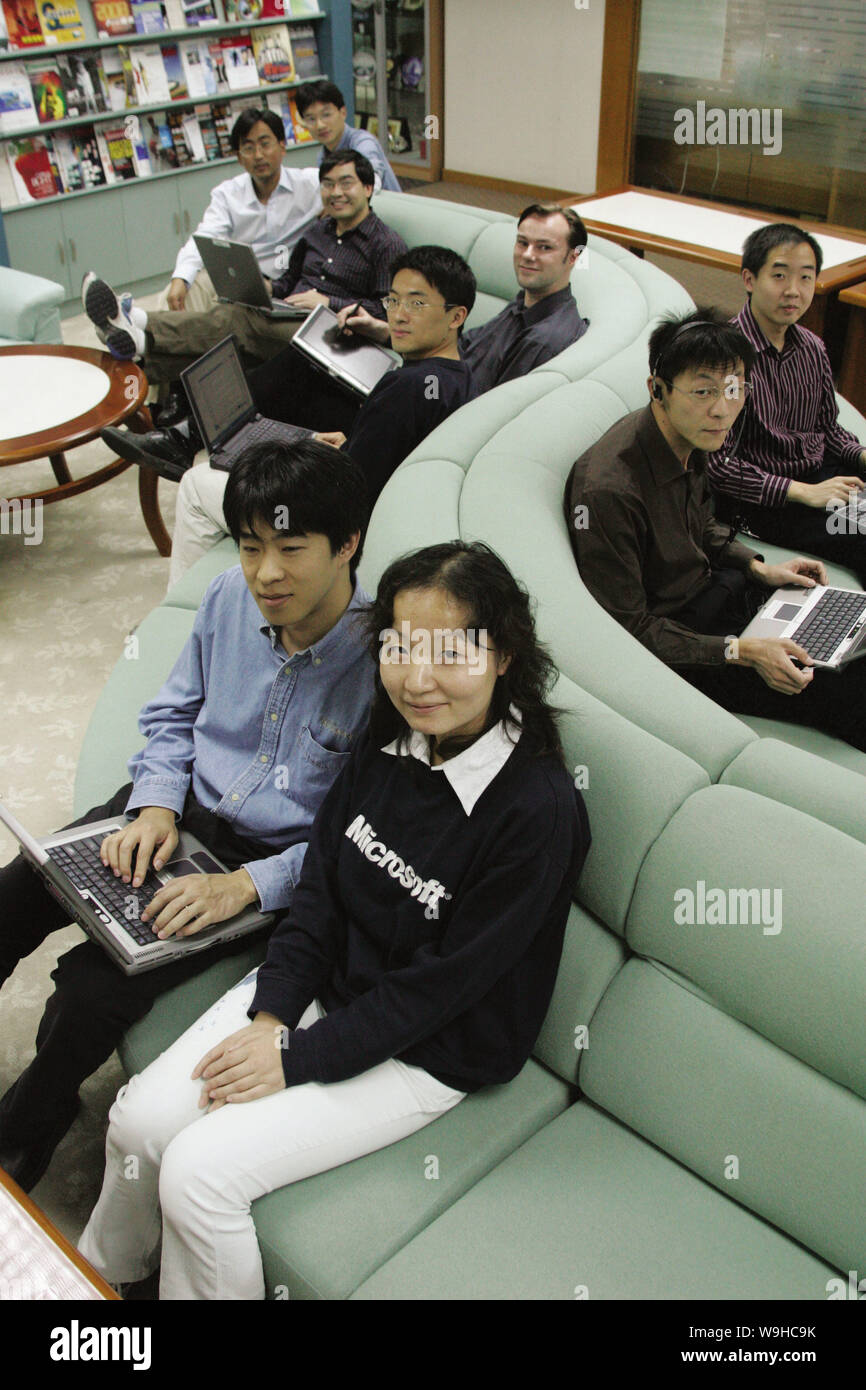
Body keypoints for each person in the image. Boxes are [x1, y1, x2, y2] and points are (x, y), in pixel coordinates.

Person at [77, 540, 591, 1300]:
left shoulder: (538, 813)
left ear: (505, 654)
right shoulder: (388, 741)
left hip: (429, 1051)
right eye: (401, 646)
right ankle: (92, 1283)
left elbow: (439, 991)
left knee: (198, 1178)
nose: (419, 678)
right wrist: (273, 1012)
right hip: (325, 996)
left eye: (450, 652)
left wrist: (295, 1057)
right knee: (139, 1126)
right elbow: (319, 891)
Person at [0, 443, 374, 1193]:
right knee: (11, 898)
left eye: (292, 549)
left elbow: (354, 839)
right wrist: (156, 803)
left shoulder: (384, 665)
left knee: (89, 995)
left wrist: (243, 888)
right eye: (250, 547)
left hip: (261, 866)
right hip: (177, 807)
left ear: (347, 545)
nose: (266, 572)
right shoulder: (228, 599)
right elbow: (173, 713)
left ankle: (24, 1135)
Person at [565, 308, 866, 752]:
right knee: (853, 695)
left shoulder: (694, 435)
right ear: (657, 390)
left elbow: (702, 523)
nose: (722, 409)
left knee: (848, 630)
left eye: (734, 389)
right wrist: (740, 652)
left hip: (725, 596)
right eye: (703, 391)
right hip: (690, 648)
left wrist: (759, 567)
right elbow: (629, 629)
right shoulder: (609, 490)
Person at [105, 246, 479, 584]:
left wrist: (286, 462)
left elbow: (346, 494)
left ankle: (188, 621)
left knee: (196, 482)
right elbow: (390, 452)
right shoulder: (457, 378)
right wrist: (351, 443)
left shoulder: (407, 388)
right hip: (373, 509)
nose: (398, 314)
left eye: (416, 304)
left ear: (456, 316)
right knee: (226, 455)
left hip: (331, 533)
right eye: (393, 300)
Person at [81, 150, 406, 384]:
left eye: (346, 184)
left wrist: (329, 303)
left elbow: (388, 311)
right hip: (289, 317)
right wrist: (266, 290)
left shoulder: (385, 243)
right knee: (233, 337)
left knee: (239, 320)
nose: (335, 193)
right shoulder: (317, 231)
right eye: (328, 184)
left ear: (366, 188)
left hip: (338, 333)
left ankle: (140, 328)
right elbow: (289, 281)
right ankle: (141, 357)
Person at [706, 222, 866, 584]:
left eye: (805, 278)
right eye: (779, 276)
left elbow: (828, 431)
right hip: (764, 502)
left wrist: (860, 455)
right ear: (749, 279)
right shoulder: (728, 360)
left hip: (819, 475)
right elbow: (720, 465)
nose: (793, 291)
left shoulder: (812, 347)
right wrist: (804, 492)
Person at [327, 202, 589, 394]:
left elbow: (490, 410)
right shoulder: (525, 302)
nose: (528, 255)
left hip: (439, 404)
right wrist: (381, 330)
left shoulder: (545, 337)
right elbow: (461, 346)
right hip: (433, 383)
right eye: (522, 243)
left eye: (544, 247)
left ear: (573, 257)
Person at [159, 108, 321, 316]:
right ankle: (142, 334)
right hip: (244, 280)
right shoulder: (228, 194)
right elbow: (204, 236)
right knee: (183, 291)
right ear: (239, 157)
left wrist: (331, 207)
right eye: (248, 147)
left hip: (290, 280)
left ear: (282, 147)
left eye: (265, 144)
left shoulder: (311, 184)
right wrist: (180, 277)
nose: (258, 155)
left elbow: (364, 183)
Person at [296, 78, 402, 192]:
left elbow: (372, 172)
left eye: (326, 115)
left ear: (343, 112)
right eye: (311, 119)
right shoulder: (322, 156)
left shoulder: (362, 141)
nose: (320, 125)